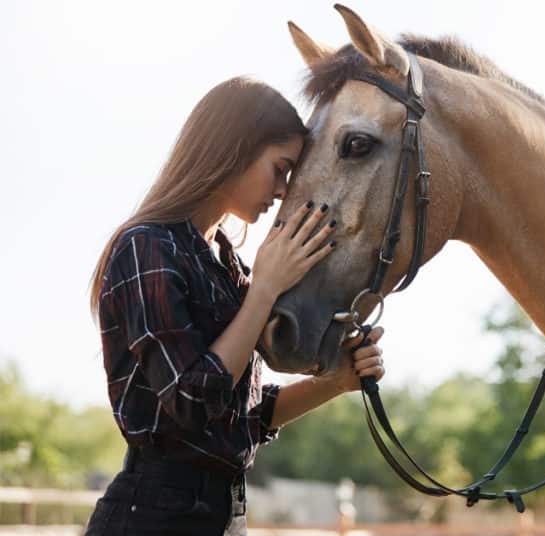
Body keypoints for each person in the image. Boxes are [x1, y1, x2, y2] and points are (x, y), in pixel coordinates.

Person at [84, 77, 384, 535]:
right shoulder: (146, 248)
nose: (284, 190)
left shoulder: (226, 264)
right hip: (153, 518)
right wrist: (264, 290)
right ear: (234, 151)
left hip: (224, 515)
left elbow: (245, 416)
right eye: (279, 169)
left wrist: (339, 380)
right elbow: (190, 398)